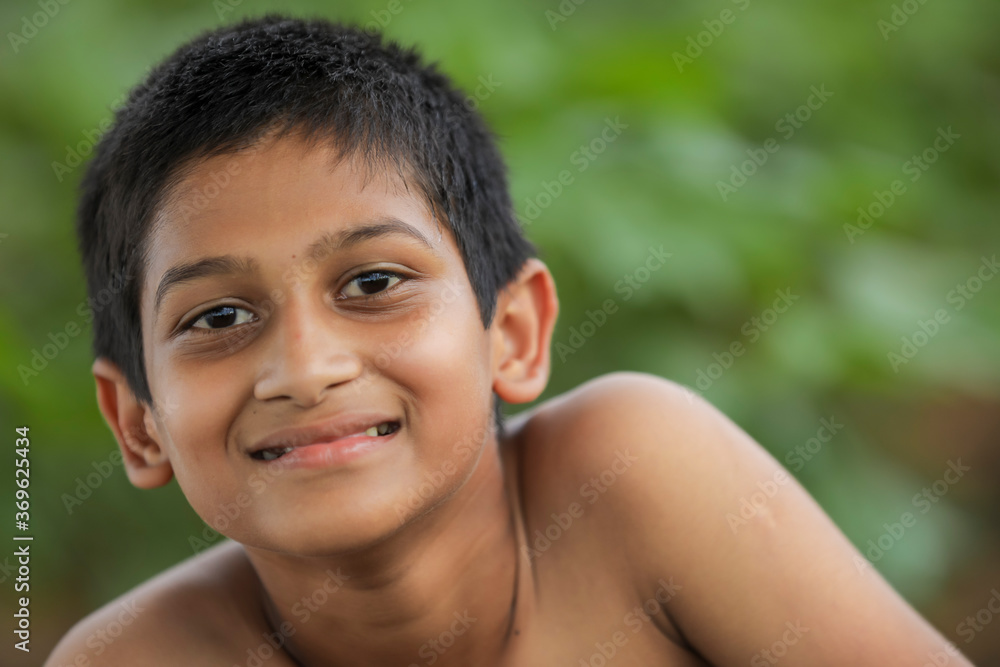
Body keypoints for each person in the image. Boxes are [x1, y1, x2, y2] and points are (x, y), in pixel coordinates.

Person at [46, 14, 972, 667]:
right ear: (138, 422)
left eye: (374, 283)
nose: (306, 368)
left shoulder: (634, 479)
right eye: (217, 319)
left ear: (514, 333)